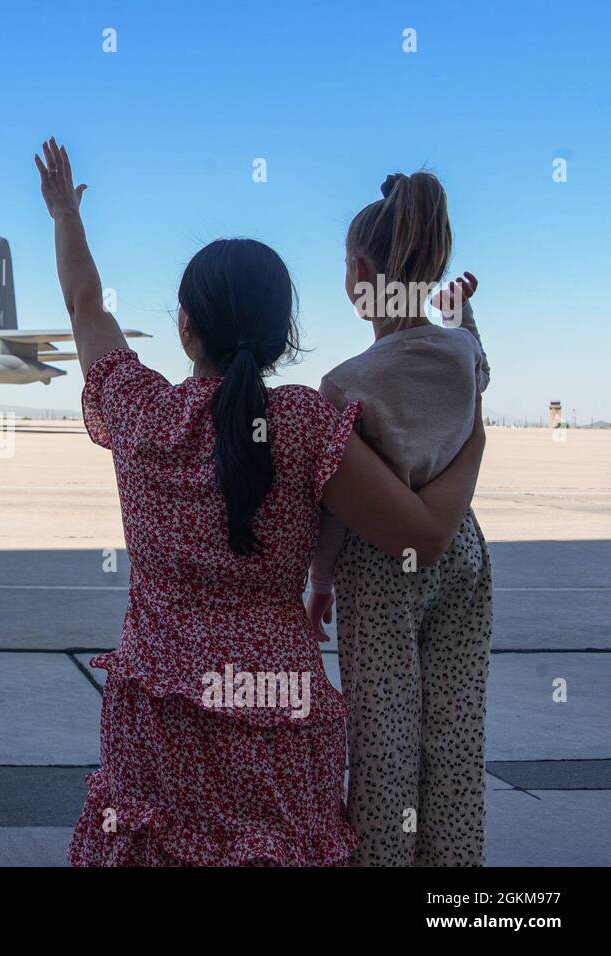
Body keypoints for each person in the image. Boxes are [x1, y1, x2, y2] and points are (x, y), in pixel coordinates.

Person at [34, 138, 486, 866]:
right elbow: (427, 537)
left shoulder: (141, 412)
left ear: (185, 327)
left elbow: (84, 302)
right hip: (278, 709)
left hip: (158, 706)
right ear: (285, 337)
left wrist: (63, 215)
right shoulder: (308, 425)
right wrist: (476, 440)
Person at [306, 172, 492, 865]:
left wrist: (320, 583)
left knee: (385, 743)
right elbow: (480, 373)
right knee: (455, 734)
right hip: (465, 555)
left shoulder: (346, 383)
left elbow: (338, 502)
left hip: (382, 569)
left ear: (359, 272)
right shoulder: (461, 354)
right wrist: (464, 315)